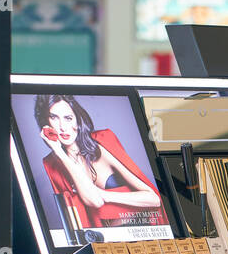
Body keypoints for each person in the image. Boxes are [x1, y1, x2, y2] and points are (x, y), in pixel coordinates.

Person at [34, 94, 161, 229]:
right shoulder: (53, 164)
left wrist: (105, 195)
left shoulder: (101, 144)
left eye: (68, 118)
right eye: (54, 118)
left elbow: (154, 199)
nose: (62, 127)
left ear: (77, 119)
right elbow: (94, 201)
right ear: (46, 124)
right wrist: (59, 152)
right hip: (106, 241)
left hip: (140, 232)